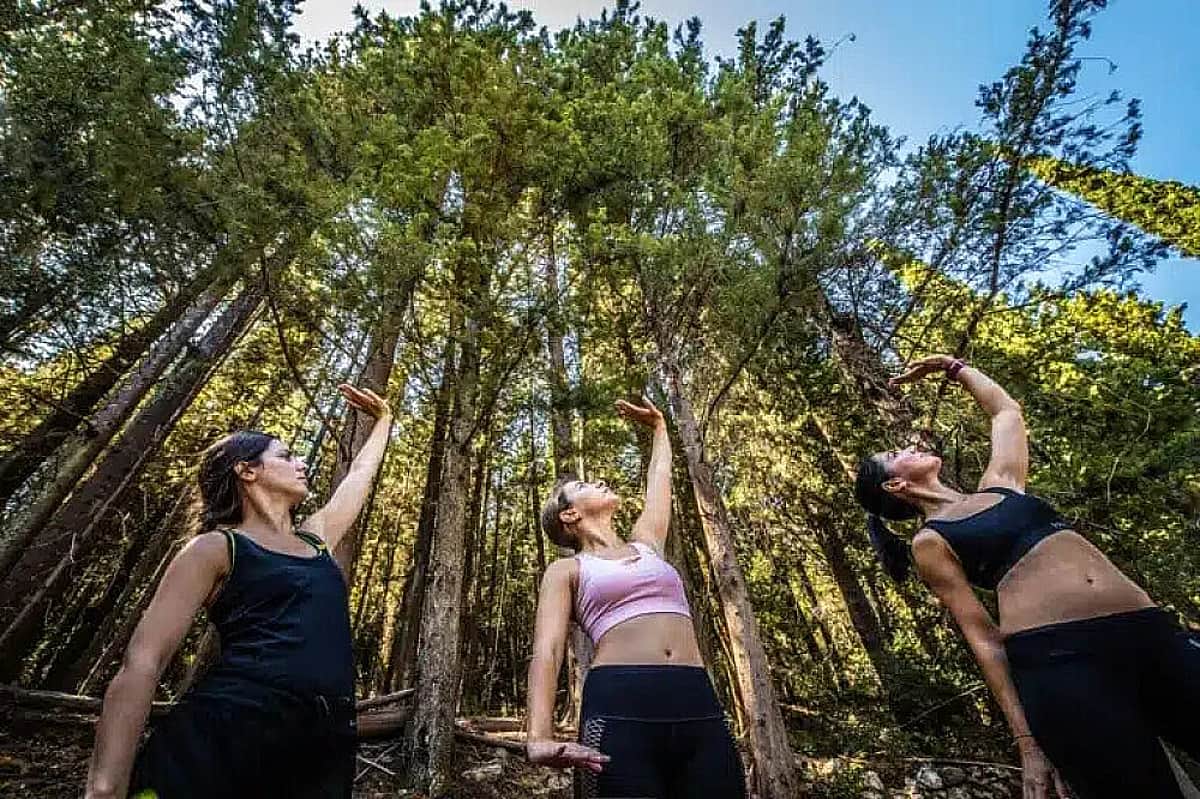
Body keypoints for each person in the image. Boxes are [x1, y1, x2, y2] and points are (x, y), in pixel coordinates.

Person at [855, 355, 1200, 799]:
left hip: (1152, 635)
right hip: (1062, 663)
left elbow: (1006, 413)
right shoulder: (930, 541)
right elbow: (984, 639)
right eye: (894, 455)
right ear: (894, 486)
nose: (908, 447)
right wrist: (1028, 744)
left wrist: (953, 367)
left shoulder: (1001, 484)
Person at [85, 384, 392, 799]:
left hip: (322, 747)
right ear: (247, 470)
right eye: (286, 456)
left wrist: (385, 421)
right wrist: (105, 788)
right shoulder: (215, 547)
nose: (302, 464)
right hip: (221, 741)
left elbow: (358, 477)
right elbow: (142, 664)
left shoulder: (316, 539)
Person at [525, 397, 746, 799]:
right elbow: (549, 649)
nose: (599, 481)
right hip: (619, 706)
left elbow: (659, 482)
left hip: (696, 699)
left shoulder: (647, 545)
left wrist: (660, 429)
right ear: (569, 515)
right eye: (582, 486)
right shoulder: (567, 571)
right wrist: (538, 735)